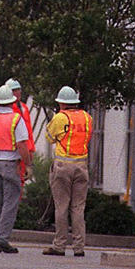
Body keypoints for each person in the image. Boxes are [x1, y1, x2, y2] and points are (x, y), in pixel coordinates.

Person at [42, 86, 93, 258]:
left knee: (62, 206)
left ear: (62, 103)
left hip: (64, 165)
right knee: (78, 207)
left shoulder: (60, 117)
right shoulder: (87, 118)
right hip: (82, 165)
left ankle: (60, 245)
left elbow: (49, 138)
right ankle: (79, 247)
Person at [0, 83, 31, 253]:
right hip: (10, 164)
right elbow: (22, 145)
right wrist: (28, 165)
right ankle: (1, 239)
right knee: (10, 203)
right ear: (11, 101)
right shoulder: (16, 119)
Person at [5, 78, 36, 158]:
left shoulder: (24, 107)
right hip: (13, 153)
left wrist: (31, 149)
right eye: (14, 90)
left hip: (26, 150)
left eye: (18, 90)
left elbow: (29, 131)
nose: (18, 92)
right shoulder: (7, 110)